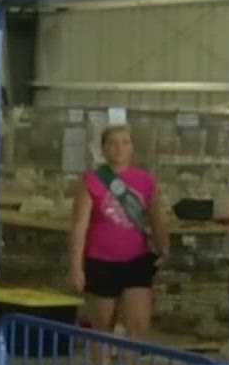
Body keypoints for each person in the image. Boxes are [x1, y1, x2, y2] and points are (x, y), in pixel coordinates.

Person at [69, 125, 168, 351]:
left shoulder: (146, 181)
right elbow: (79, 225)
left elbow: (156, 219)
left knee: (138, 325)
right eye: (113, 143)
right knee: (103, 328)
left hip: (136, 260)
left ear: (132, 147)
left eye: (125, 142)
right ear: (103, 149)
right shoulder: (91, 181)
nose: (119, 148)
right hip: (101, 261)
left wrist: (164, 247)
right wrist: (76, 266)